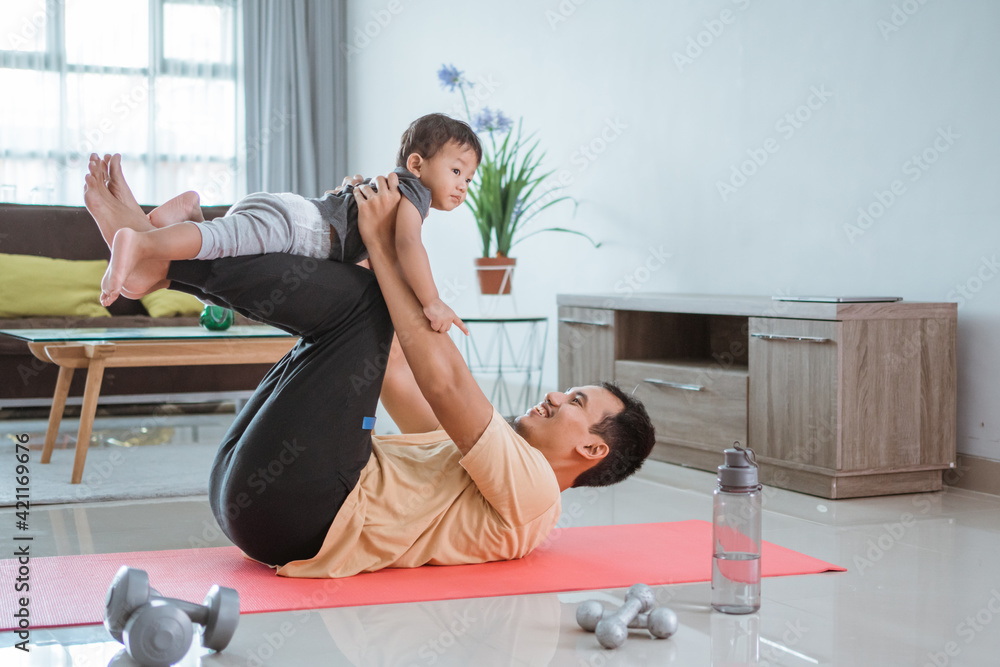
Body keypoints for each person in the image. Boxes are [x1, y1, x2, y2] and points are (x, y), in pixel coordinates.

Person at [82, 157, 656, 578]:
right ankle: (160, 254)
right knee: (355, 315)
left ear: (592, 450)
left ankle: (159, 257)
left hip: (299, 514)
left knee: (366, 304)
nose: (557, 396)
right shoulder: (481, 468)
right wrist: (354, 244)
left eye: (577, 404)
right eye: (570, 392)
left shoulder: (534, 494)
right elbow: (399, 368)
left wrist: (384, 246)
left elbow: (445, 379)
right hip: (254, 498)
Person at [94, 113, 480, 334]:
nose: (463, 186)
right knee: (220, 240)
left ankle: (189, 214)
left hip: (294, 219)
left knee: (224, 250)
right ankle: (141, 244)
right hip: (299, 226)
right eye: (457, 171)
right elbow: (409, 247)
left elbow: (379, 259)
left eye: (469, 180)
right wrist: (433, 302)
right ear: (416, 164)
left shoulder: (394, 190)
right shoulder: (414, 194)